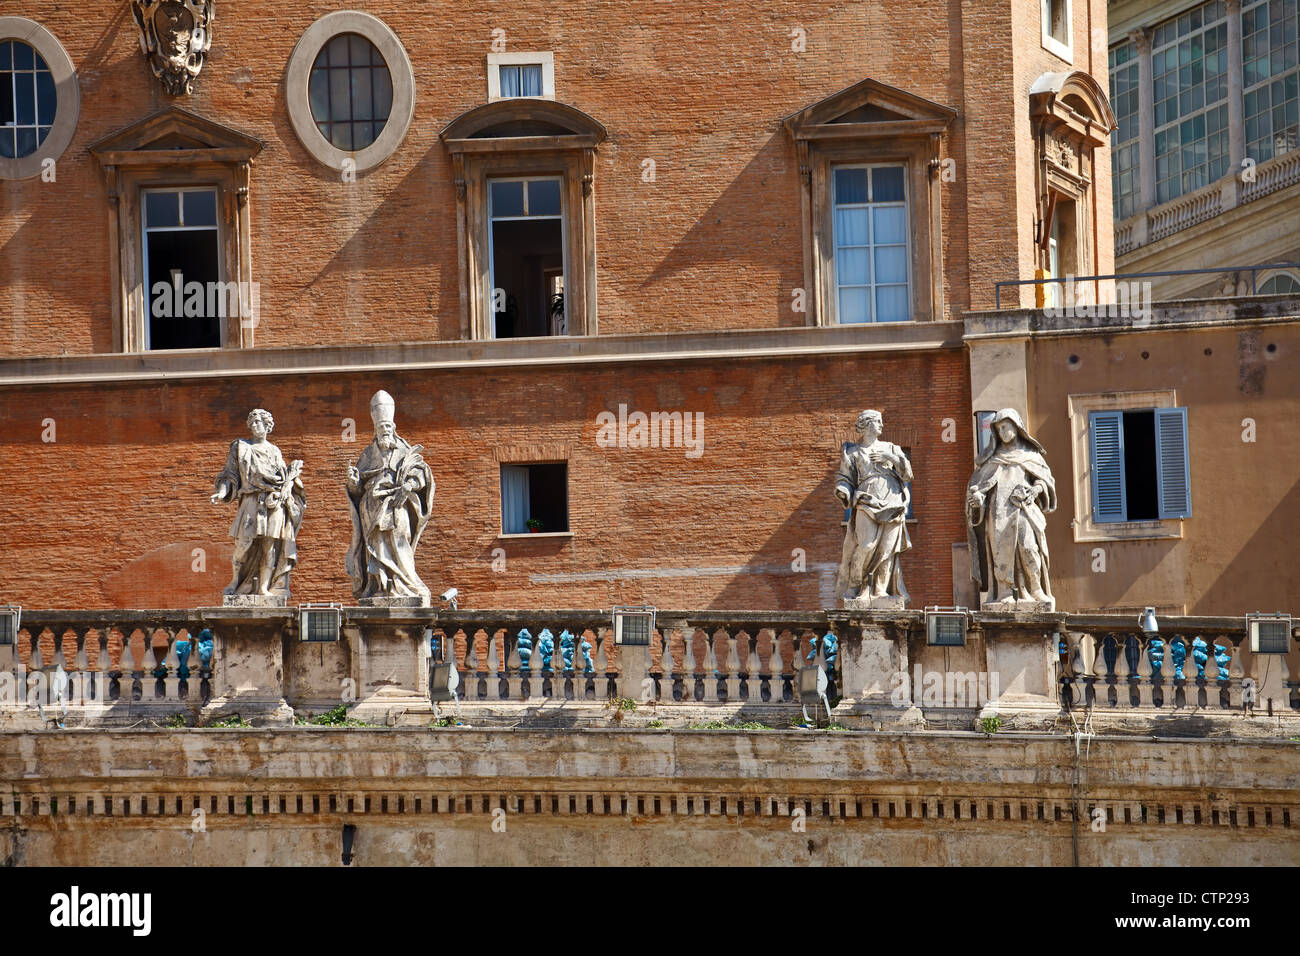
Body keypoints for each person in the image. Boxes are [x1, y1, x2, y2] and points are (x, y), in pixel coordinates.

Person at [345, 390, 434, 601]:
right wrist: (353, 481)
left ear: (393, 429)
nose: (384, 430)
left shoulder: (404, 452)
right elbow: (357, 490)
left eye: (387, 427)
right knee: (374, 548)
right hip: (371, 508)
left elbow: (422, 473)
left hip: (396, 505)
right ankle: (379, 588)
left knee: (399, 542)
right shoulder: (367, 454)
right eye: (380, 427)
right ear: (375, 430)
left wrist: (410, 485)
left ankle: (406, 584)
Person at [966, 408, 1056, 607]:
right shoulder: (991, 458)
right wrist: (979, 499)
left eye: (1006, 426)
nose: (1003, 431)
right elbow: (981, 487)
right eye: (999, 429)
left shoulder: (1030, 455)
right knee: (1001, 553)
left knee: (1030, 548)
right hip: (998, 513)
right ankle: (1004, 592)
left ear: (1017, 426)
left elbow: (1045, 480)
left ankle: (1035, 589)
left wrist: (1035, 491)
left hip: (1024, 509)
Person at [210, 408, 304, 598]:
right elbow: (230, 474)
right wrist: (221, 493)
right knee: (243, 544)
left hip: (273, 503)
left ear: (267, 426)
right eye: (251, 422)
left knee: (269, 547)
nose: (254, 425)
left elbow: (283, 479)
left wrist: (290, 485)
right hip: (251, 500)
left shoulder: (275, 451)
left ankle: (263, 588)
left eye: (258, 422)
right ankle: (236, 581)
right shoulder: (241, 447)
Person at [833, 409, 912, 602]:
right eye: (878, 421)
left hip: (893, 501)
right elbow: (845, 478)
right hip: (866, 501)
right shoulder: (852, 452)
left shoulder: (892, 448)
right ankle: (857, 586)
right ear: (866, 425)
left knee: (887, 550)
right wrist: (843, 490)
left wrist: (891, 459)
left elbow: (908, 475)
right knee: (866, 545)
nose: (882, 425)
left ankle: (879, 592)